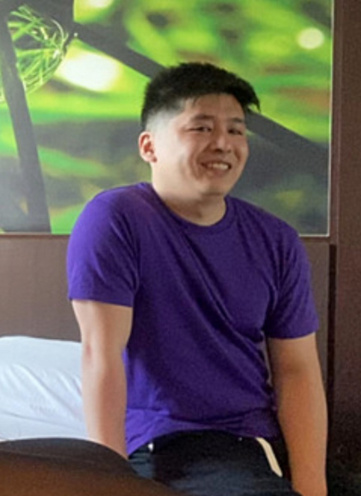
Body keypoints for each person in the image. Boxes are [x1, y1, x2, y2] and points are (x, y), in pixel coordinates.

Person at [67, 62, 327, 496]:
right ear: (149, 146)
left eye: (236, 130)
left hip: (249, 443)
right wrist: (112, 483)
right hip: (158, 446)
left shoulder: (276, 240)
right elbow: (101, 355)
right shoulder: (116, 219)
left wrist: (311, 485)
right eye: (201, 128)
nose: (223, 143)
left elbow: (297, 370)